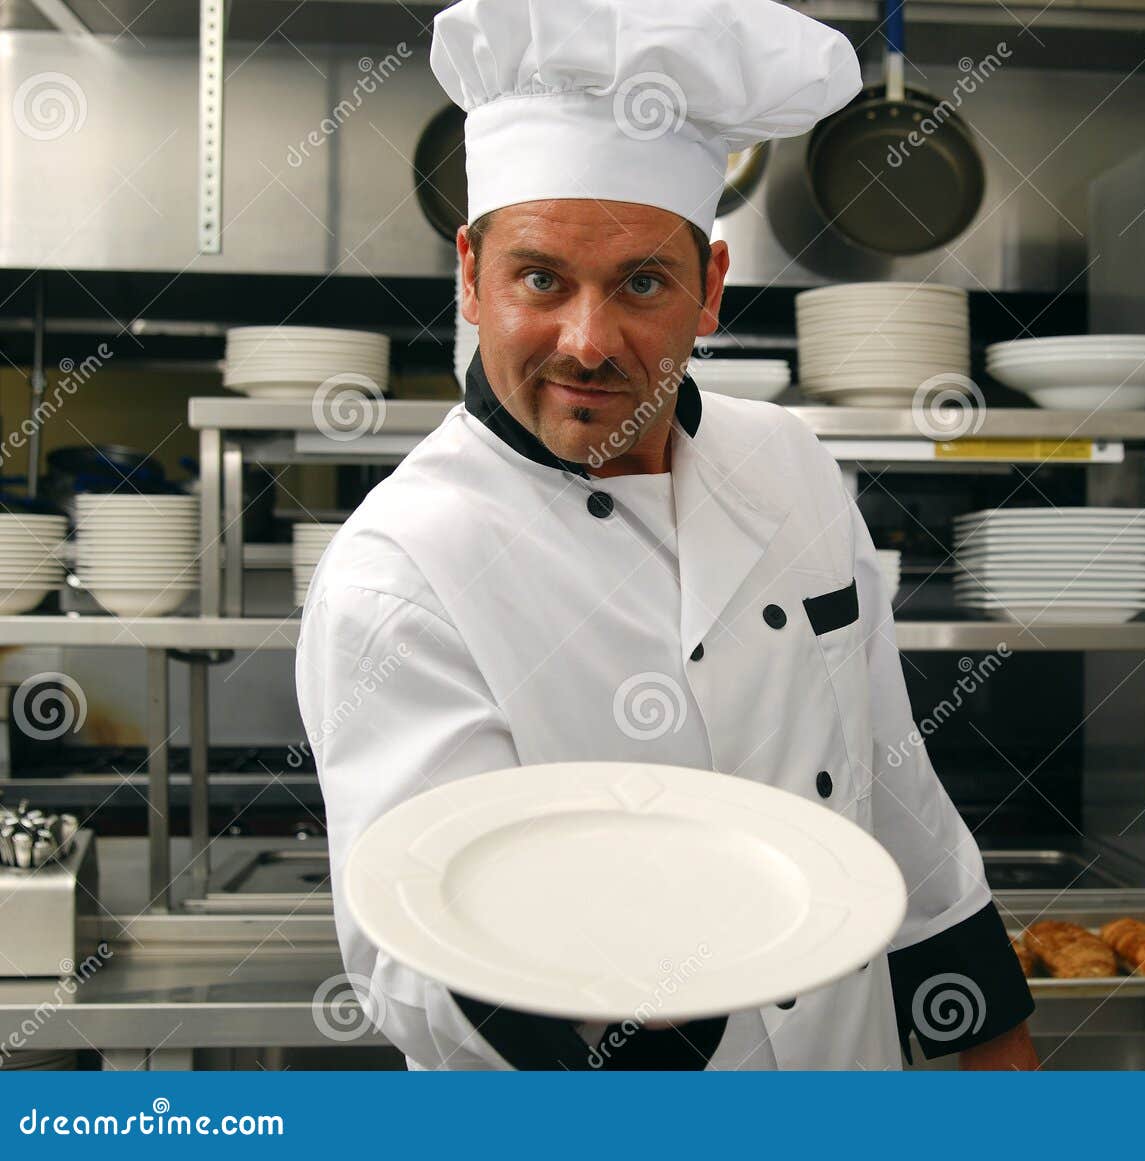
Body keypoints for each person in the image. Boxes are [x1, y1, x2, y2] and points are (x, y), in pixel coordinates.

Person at [296, 0, 1036, 1071]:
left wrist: (992, 1043)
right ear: (470, 275)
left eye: (641, 283)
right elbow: (416, 955)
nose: (587, 343)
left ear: (710, 292)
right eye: (539, 278)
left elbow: (891, 784)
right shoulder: (403, 570)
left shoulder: (789, 465)